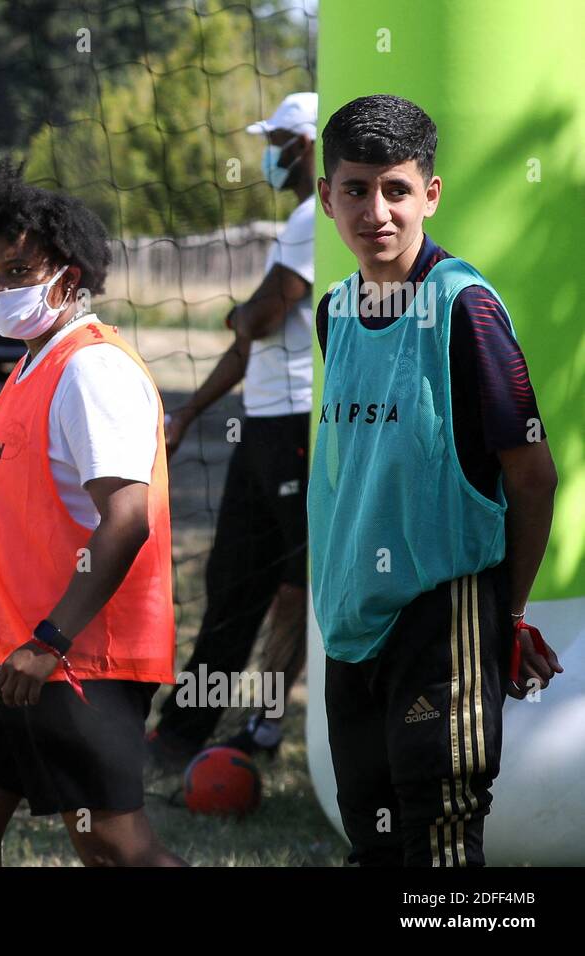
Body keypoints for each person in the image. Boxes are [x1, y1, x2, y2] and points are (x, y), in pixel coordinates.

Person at [310, 94, 561, 866]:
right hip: (352, 625)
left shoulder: (466, 310)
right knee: (373, 843)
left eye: (395, 189)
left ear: (431, 193)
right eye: (355, 188)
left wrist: (504, 619)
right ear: (326, 197)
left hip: (441, 618)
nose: (375, 210)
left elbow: (533, 477)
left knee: (438, 848)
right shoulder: (334, 312)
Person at [0, 160, 183, 867]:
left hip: (76, 655)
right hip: (3, 649)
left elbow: (128, 519)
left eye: (17, 273)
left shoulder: (92, 370)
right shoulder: (30, 363)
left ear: (68, 279)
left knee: (113, 847)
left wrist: (50, 641)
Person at [147, 92, 317, 770]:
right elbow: (247, 339)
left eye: (275, 140)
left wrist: (245, 314)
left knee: (298, 589)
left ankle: (265, 731)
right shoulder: (301, 220)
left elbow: (262, 317)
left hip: (304, 427)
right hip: (265, 425)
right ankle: (181, 731)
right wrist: (189, 412)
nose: (267, 154)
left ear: (302, 145)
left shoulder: (315, 216)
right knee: (234, 579)